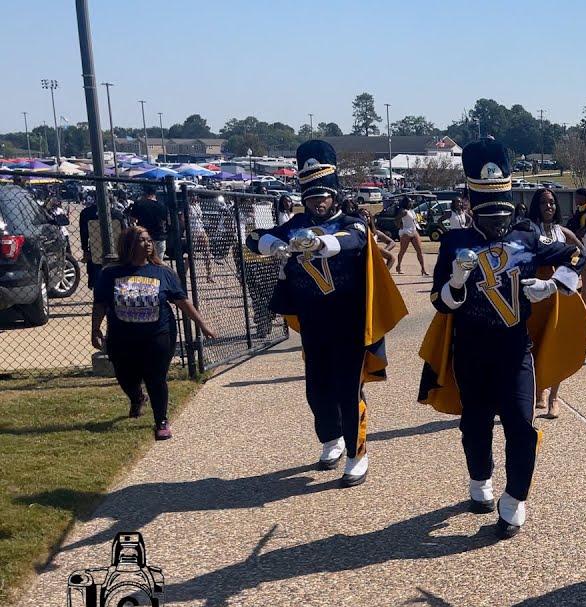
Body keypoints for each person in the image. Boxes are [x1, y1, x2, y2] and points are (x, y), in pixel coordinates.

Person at [418, 138, 586, 538]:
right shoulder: (455, 242)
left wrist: (556, 285)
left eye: (502, 214)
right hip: (471, 350)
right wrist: (456, 282)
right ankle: (480, 478)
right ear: (473, 210)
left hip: (515, 349)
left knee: (521, 425)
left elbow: (575, 256)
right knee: (475, 424)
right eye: (488, 214)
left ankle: (515, 498)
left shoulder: (527, 237)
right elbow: (439, 302)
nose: (497, 222)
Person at [246, 140, 408, 486]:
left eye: (322, 196)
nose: (317, 203)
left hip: (349, 323)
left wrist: (319, 243)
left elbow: (353, 240)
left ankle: (357, 453)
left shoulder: (352, 222)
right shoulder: (295, 223)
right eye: (310, 198)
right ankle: (332, 439)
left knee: (348, 391)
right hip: (313, 321)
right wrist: (275, 244)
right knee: (317, 391)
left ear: (333, 196)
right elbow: (253, 238)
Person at [91, 226, 217, 440]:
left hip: (159, 333)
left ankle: (161, 421)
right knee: (126, 376)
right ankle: (137, 398)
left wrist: (202, 324)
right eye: (141, 240)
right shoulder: (110, 273)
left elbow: (181, 301)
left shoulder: (162, 272)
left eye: (149, 240)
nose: (148, 244)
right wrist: (95, 329)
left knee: (155, 378)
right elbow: (100, 304)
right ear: (129, 244)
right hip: (122, 336)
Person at [528, 187, 582, 419]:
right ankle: (538, 390)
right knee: (534, 343)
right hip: (534, 295)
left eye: (551, 202)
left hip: (557, 293)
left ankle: (554, 398)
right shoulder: (529, 230)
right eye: (543, 202)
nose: (548, 206)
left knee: (556, 342)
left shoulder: (563, 232)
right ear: (536, 206)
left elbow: (580, 253)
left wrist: (569, 276)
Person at [79, 195, 126, 289]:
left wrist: (85, 249)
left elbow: (83, 233)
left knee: (97, 278)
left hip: (95, 250)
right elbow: (124, 232)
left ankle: (97, 292)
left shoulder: (86, 213)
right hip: (116, 249)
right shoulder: (117, 214)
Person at [128, 186, 170, 263]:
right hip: (159, 236)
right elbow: (164, 222)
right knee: (158, 262)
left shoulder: (139, 204)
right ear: (154, 193)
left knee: (144, 262)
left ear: (144, 193)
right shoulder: (161, 206)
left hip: (144, 236)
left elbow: (132, 220)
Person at [395, 196, 427, 276]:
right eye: (409, 202)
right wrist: (400, 226)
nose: (411, 203)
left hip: (414, 231)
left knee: (419, 251)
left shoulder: (412, 211)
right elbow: (396, 219)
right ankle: (398, 266)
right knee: (403, 251)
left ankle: (423, 268)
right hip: (406, 232)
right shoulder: (404, 211)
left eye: (411, 202)